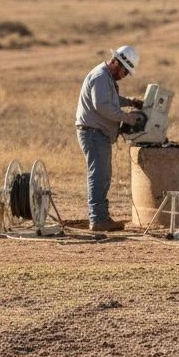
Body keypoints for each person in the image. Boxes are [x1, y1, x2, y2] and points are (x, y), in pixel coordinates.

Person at [75, 45, 143, 231]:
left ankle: (101, 217)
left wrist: (129, 101)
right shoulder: (100, 77)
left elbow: (110, 99)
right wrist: (126, 117)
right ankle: (98, 219)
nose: (125, 76)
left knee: (103, 176)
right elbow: (102, 106)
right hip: (94, 133)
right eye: (125, 72)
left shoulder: (106, 77)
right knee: (99, 175)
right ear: (116, 62)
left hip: (97, 133)